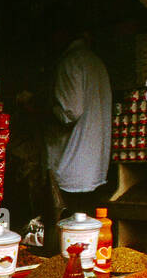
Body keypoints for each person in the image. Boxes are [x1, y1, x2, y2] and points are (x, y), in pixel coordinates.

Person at [40, 21, 113, 255]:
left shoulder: (71, 62)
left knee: (69, 231)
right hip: (92, 163)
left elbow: (69, 112)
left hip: (74, 165)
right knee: (87, 233)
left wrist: (39, 109)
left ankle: (67, 275)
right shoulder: (95, 62)